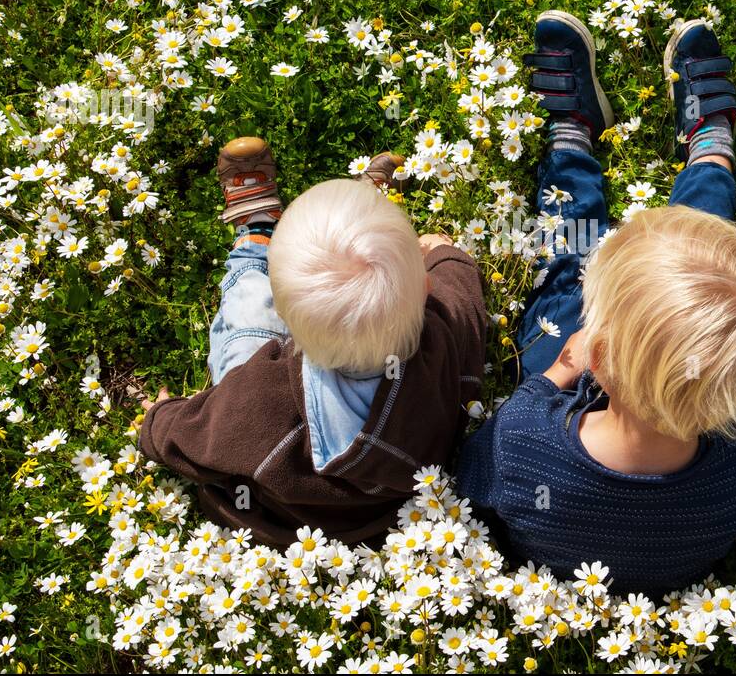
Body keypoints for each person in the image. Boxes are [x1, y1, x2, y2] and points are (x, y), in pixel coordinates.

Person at [457, 11, 736, 594]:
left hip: (570, 387)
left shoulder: (525, 447)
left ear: (600, 352)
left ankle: (573, 136)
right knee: (707, 271)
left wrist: (562, 369)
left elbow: (468, 475)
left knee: (568, 270)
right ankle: (709, 145)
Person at [136, 139, 487, 548]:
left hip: (297, 527)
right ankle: (361, 234)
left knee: (248, 317)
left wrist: (158, 421)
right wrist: (446, 253)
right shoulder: (442, 340)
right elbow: (464, 299)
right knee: (368, 279)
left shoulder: (256, 405)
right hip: (377, 521)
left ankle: (257, 239)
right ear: (425, 288)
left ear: (286, 326)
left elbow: (194, 435)